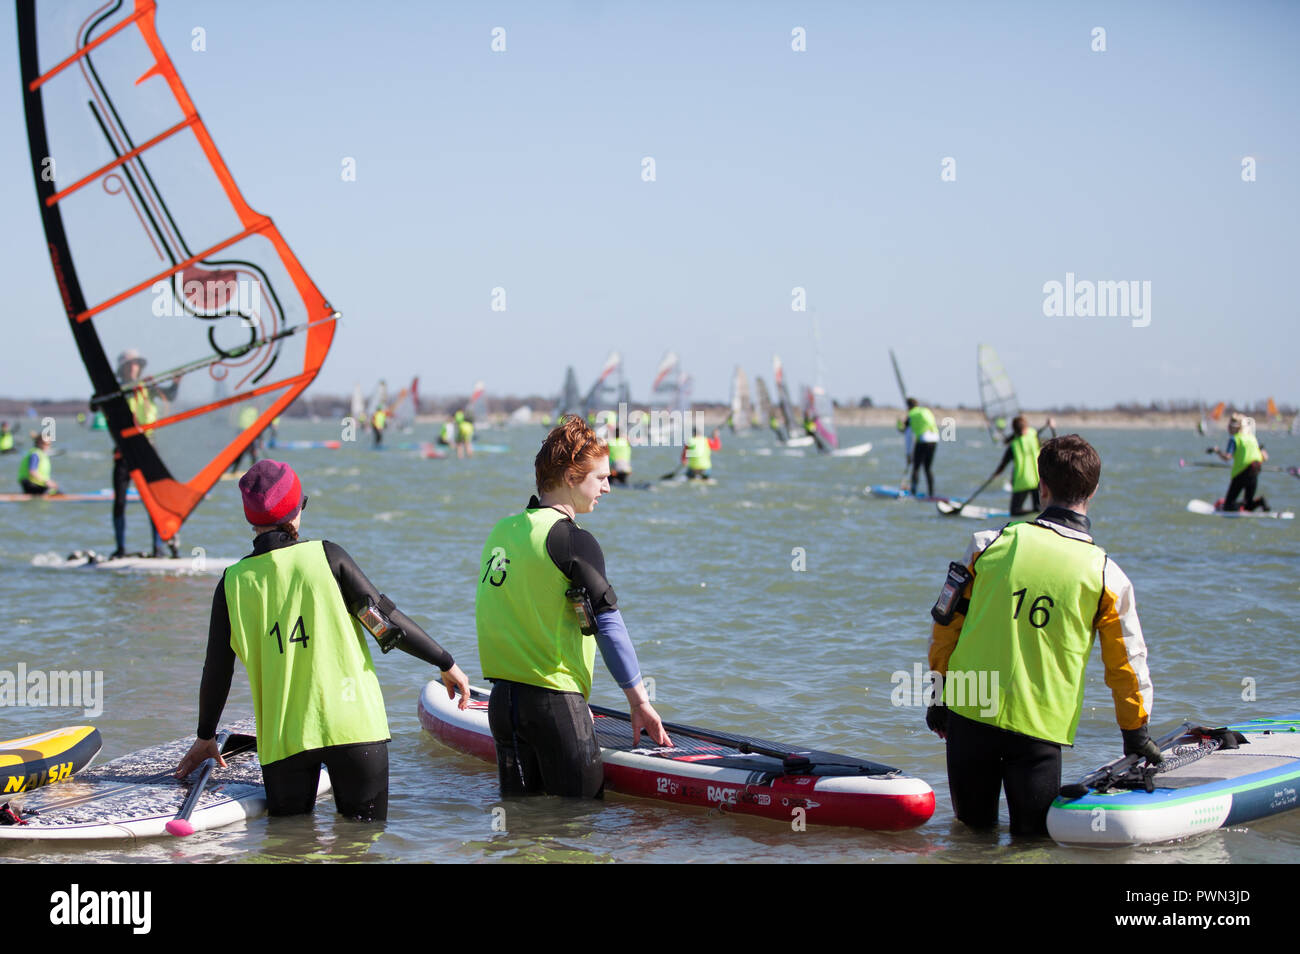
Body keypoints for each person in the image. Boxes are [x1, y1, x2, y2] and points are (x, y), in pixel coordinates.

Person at [175, 459, 469, 820]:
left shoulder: (232, 584)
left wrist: (206, 736)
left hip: (285, 740)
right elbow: (385, 624)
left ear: (251, 519)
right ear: (296, 511)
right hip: (355, 728)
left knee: (289, 849)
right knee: (363, 843)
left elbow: (218, 669)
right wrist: (445, 661)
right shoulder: (328, 558)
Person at [925, 434, 1158, 837]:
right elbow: (1126, 662)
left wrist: (938, 694)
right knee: (1031, 845)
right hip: (1039, 727)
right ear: (1094, 490)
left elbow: (946, 625)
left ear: (1041, 486)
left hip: (967, 711)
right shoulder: (1107, 576)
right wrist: (1135, 733)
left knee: (970, 838)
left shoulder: (987, 544)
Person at [476, 418, 671, 798]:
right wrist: (639, 702)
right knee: (578, 830)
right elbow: (609, 624)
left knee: (520, 831)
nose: (608, 488)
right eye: (600, 478)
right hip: (555, 706)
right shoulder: (572, 540)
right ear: (570, 476)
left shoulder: (502, 531)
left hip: (502, 705)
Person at [112, 348, 179, 559]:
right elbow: (95, 406)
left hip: (147, 448)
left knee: (153, 501)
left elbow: (169, 395)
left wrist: (176, 382)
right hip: (123, 451)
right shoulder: (114, 390)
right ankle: (120, 548)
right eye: (129, 365)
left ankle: (158, 548)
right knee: (120, 501)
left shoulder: (147, 387)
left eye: (136, 364)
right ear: (122, 369)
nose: (133, 368)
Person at [990, 415, 1057, 515]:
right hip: (1037, 481)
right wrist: (1052, 428)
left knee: (1014, 511)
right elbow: (1054, 443)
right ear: (1026, 428)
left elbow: (1003, 464)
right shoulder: (1035, 437)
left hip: (1021, 482)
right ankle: (1035, 511)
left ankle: (1030, 514)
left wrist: (995, 474)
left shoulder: (1013, 445)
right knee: (1039, 509)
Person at [1209, 414, 1269, 512]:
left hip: (1242, 471)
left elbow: (1227, 457)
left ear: (1234, 428)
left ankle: (1222, 504)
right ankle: (1260, 501)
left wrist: (1217, 451)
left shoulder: (1234, 439)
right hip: (1256, 468)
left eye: (1229, 426)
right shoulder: (1252, 438)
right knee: (1248, 505)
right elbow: (1265, 457)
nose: (1227, 429)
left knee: (1228, 506)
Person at [899, 398, 938, 498]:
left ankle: (913, 491)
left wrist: (908, 454)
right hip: (934, 440)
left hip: (923, 440)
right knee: (928, 468)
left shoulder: (911, 415)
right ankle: (931, 494)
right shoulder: (926, 410)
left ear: (908, 407)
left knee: (916, 467)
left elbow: (908, 437)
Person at [607, 420, 632, 485]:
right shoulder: (625, 442)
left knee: (612, 484)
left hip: (615, 468)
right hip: (626, 468)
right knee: (624, 484)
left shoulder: (611, 443)